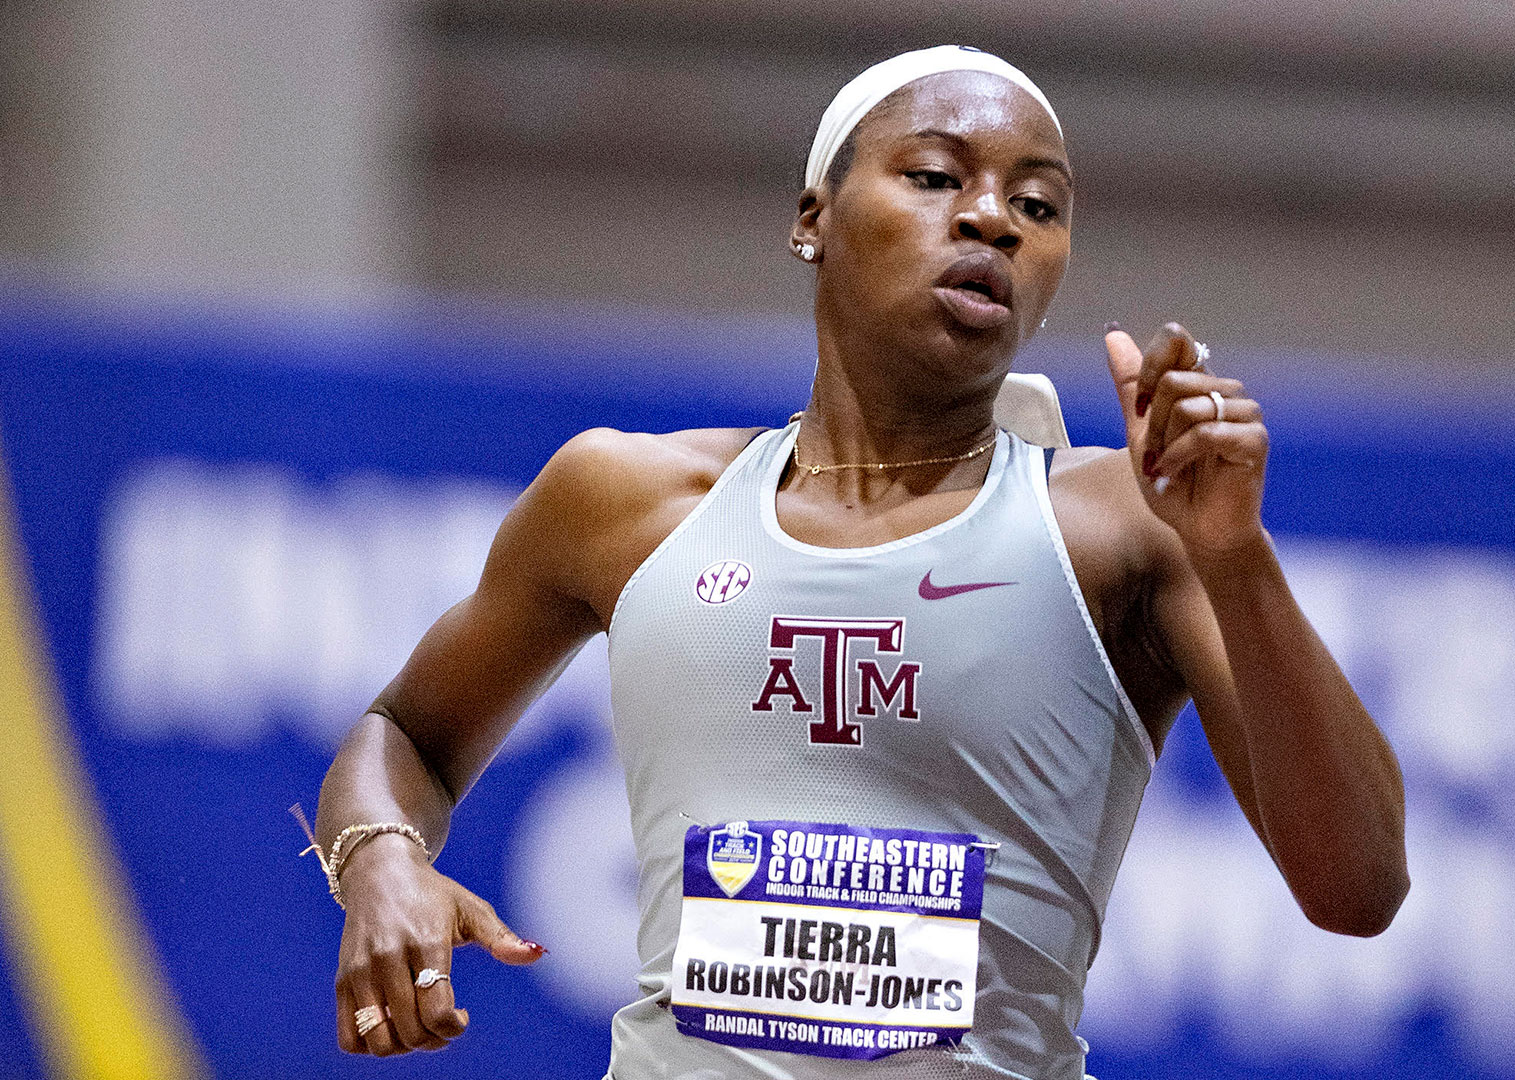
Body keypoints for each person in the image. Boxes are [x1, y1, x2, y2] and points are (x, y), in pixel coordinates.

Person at [313, 45, 1407, 1080]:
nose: (991, 218)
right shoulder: (626, 501)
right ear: (812, 219)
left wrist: (1237, 556)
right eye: (936, 175)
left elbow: (1358, 888)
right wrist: (379, 859)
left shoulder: (1126, 524)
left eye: (1039, 205)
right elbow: (402, 736)